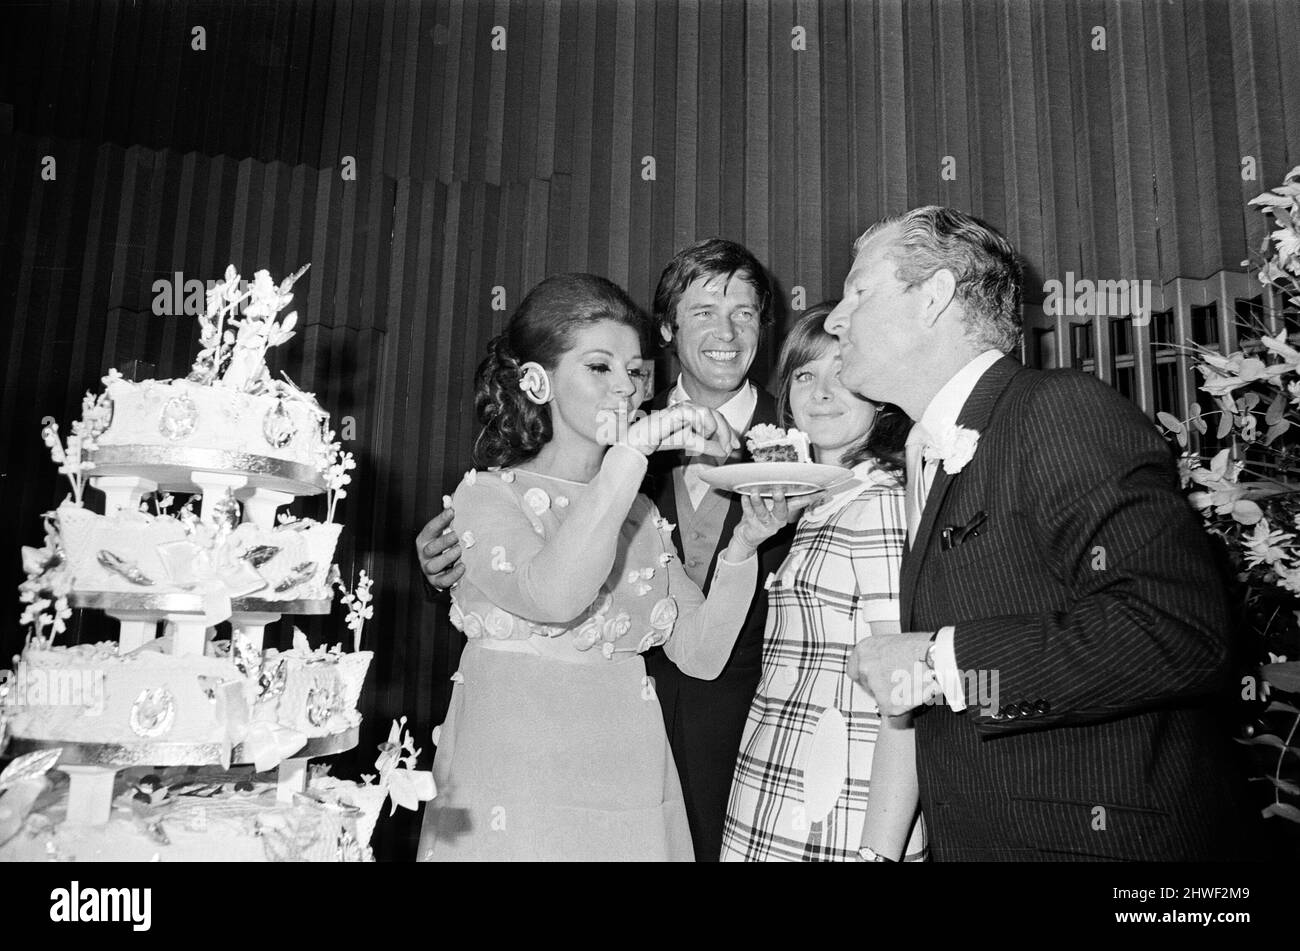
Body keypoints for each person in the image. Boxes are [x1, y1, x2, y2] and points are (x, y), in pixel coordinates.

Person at [824, 205, 1259, 860]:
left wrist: (938, 661)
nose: (834, 318)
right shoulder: (933, 457)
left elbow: (1176, 632)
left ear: (935, 296)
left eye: (858, 291)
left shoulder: (1057, 408)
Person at [417, 238, 794, 861]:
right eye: (599, 367)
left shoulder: (639, 513)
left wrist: (745, 545)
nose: (626, 389)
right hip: (519, 782)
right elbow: (555, 595)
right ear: (537, 380)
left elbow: (700, 654)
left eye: (636, 371)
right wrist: (630, 456)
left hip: (631, 778)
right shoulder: (487, 497)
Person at [721, 305, 926, 862]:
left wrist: (878, 853)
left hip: (837, 798)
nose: (821, 392)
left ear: (878, 392)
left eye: (842, 371)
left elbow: (903, 692)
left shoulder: (880, 501)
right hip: (779, 778)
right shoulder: (824, 503)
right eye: (805, 375)